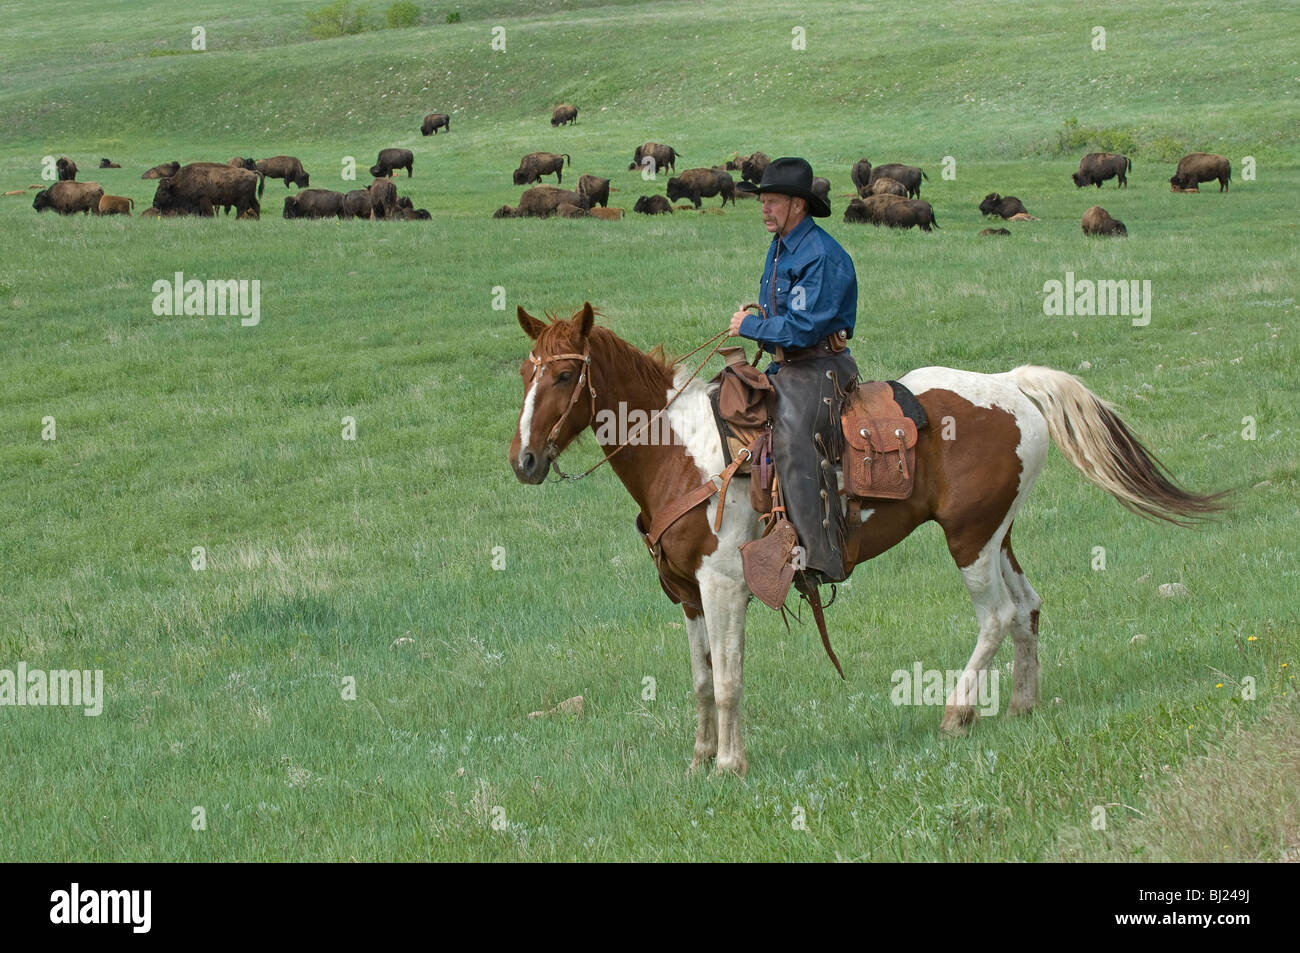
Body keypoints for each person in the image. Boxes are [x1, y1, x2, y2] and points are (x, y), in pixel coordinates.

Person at [727, 156, 859, 585]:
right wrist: (761, 324)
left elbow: (803, 328)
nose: (764, 209)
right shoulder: (782, 244)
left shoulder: (820, 255)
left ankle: (817, 559)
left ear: (798, 205)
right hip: (788, 364)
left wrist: (751, 327)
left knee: (793, 438)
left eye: (772, 201)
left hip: (820, 365)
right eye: (761, 201)